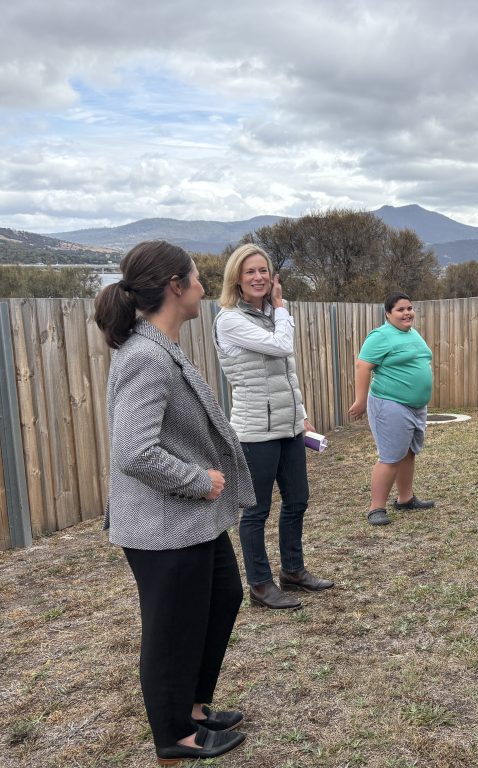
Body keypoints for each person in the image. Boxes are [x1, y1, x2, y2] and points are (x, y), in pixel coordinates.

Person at [95, 241, 253, 765]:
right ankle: (175, 735)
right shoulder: (145, 357)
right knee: (172, 629)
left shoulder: (161, 346)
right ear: (174, 286)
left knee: (223, 597)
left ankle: (193, 707)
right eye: (196, 276)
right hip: (163, 524)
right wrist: (197, 480)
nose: (204, 285)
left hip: (192, 520)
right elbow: (133, 451)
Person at [214, 244, 333, 610]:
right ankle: (260, 584)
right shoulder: (230, 320)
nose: (258, 277)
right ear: (236, 278)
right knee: (257, 510)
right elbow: (281, 347)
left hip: (289, 426)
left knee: (297, 500)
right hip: (255, 432)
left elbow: (286, 375)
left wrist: (302, 414)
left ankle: (293, 571)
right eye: (250, 271)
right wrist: (282, 308)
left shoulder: (270, 315)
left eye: (263, 270)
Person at [347, 291, 435, 526]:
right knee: (390, 456)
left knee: (408, 452)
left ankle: (405, 499)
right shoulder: (380, 336)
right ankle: (376, 508)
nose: (407, 313)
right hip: (390, 403)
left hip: (416, 406)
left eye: (409, 308)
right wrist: (360, 400)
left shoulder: (412, 333)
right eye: (400, 309)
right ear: (388, 313)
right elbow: (363, 366)